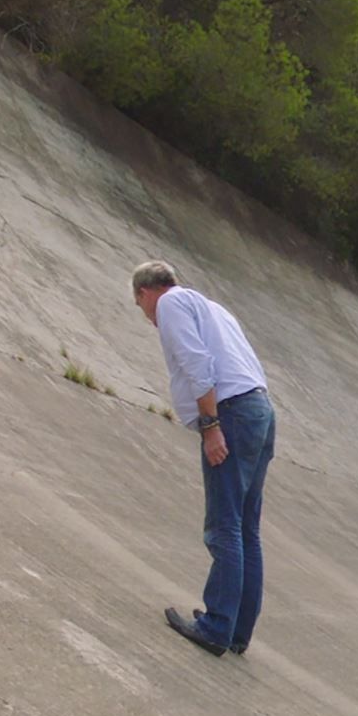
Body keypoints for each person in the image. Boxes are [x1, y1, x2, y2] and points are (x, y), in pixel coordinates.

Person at [131, 261, 276, 658]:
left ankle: (215, 627)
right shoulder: (214, 309)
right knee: (246, 527)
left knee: (223, 527)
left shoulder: (171, 305)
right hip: (260, 410)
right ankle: (236, 630)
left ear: (144, 294)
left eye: (142, 307)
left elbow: (198, 366)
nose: (149, 318)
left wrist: (211, 426)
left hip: (230, 414)